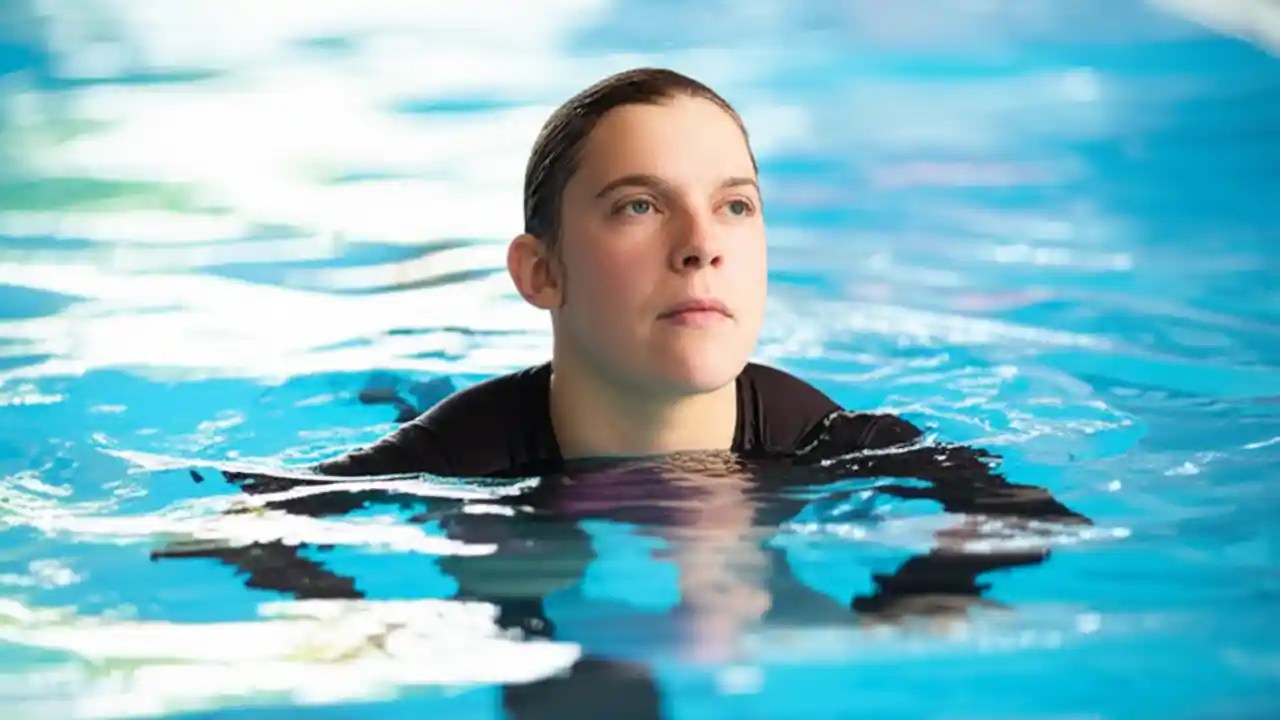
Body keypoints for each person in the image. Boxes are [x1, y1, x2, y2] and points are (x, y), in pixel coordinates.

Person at [315, 66, 928, 480]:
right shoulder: (454, 455)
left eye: (734, 206)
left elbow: (1002, 529)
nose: (701, 246)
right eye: (640, 206)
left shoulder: (832, 446)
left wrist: (918, 603)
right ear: (541, 272)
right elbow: (257, 532)